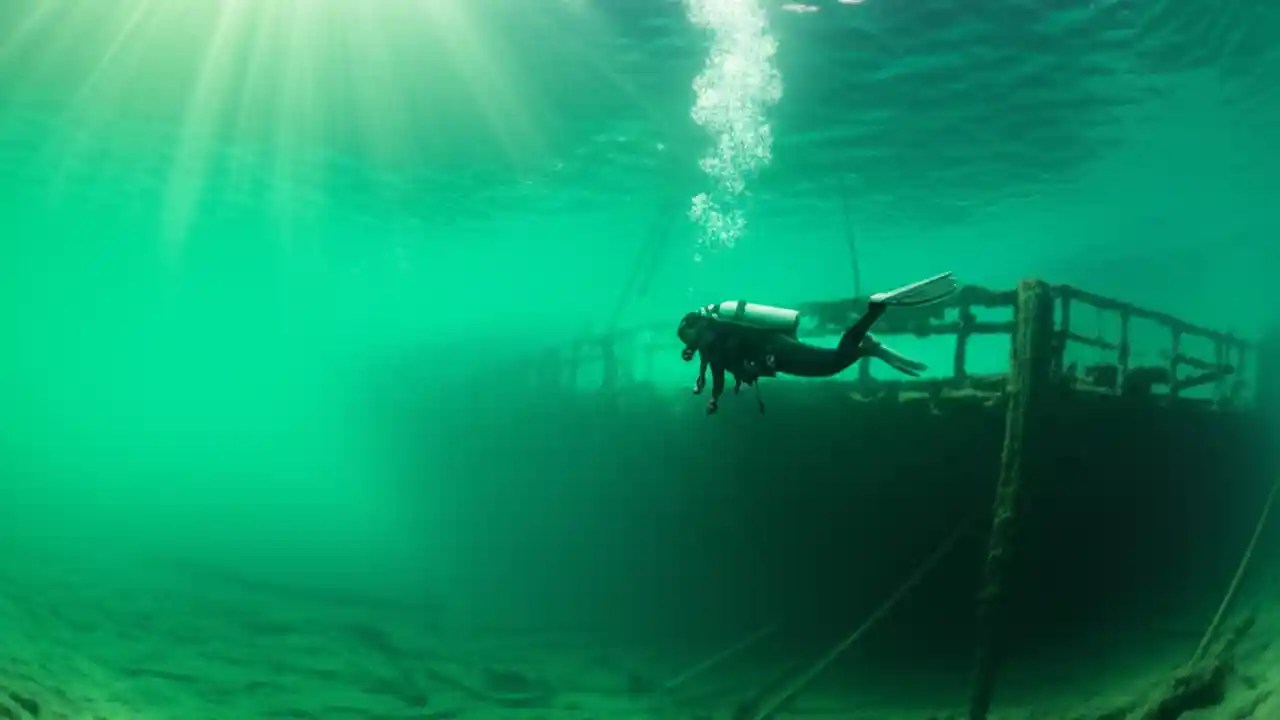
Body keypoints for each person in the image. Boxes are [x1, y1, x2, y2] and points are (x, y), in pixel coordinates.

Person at [677, 272, 957, 414]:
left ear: (696, 325)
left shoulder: (717, 330)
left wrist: (762, 358)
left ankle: (874, 313)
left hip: (777, 349)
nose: (685, 341)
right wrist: (715, 398)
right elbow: (720, 374)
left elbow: (747, 336)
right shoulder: (710, 347)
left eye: (685, 335)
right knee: (830, 364)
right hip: (777, 353)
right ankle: (867, 346)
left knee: (832, 362)